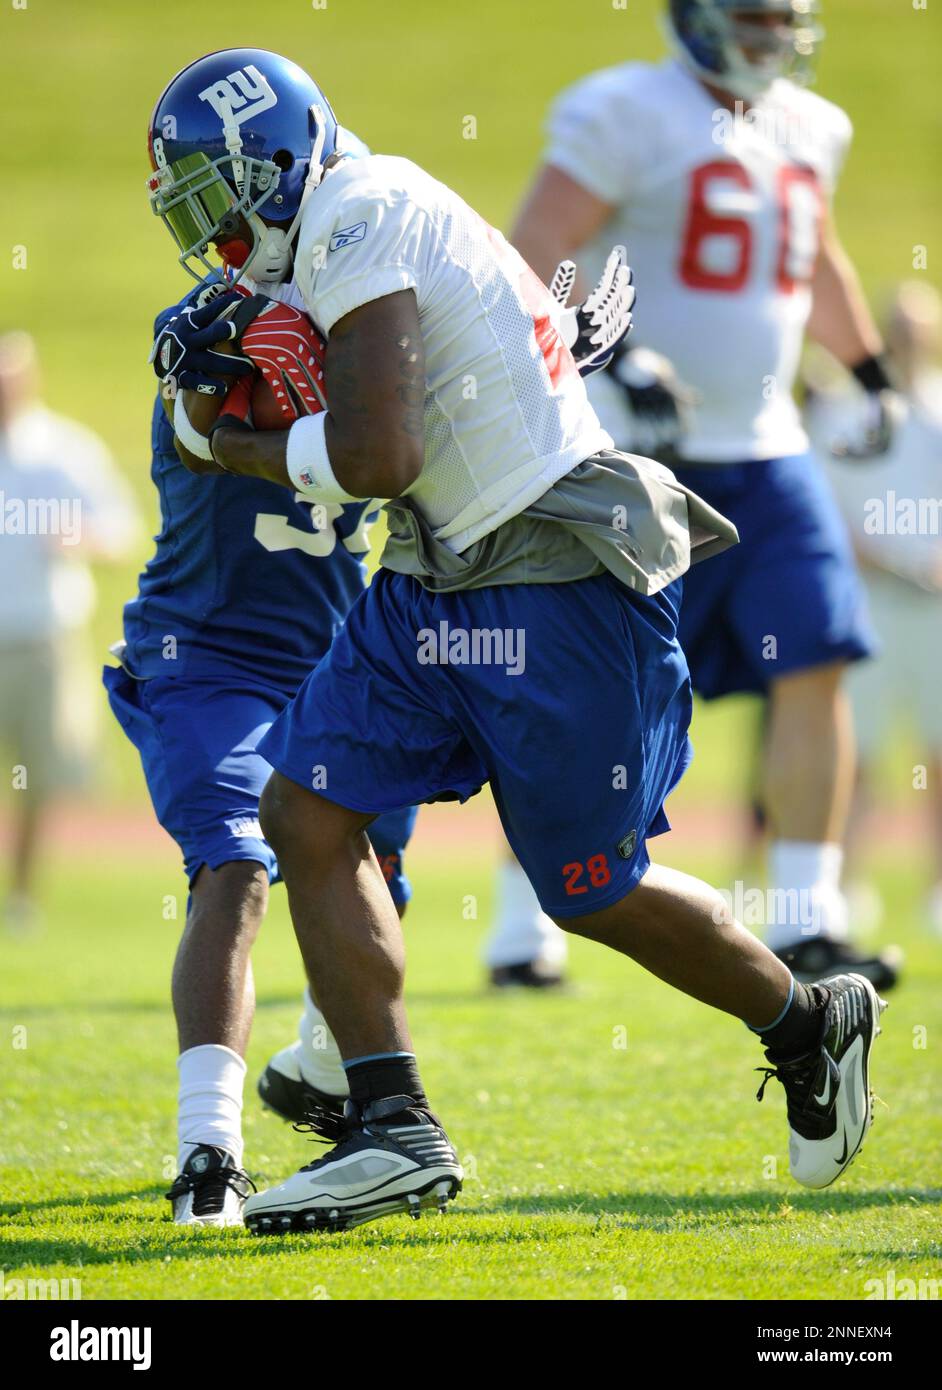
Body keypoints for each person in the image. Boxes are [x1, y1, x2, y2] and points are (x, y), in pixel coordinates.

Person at [147, 47, 887, 1235]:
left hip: (553, 572)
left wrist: (230, 442)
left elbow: (377, 457)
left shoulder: (362, 206)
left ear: (276, 164)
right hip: (438, 567)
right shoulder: (360, 221)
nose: (220, 244)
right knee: (304, 809)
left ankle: (810, 1019)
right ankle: (391, 1124)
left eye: (220, 207)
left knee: (592, 888)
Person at [509, 0, 904, 991]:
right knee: (583, 693)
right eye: (753, 14)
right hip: (629, 452)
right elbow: (534, 249)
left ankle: (809, 919)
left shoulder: (813, 126)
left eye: (785, 16)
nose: (773, 35)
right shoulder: (627, 110)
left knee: (817, 657)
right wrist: (611, 346)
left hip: (769, 452)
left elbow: (815, 260)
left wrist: (867, 371)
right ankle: (523, 924)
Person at [105, 262, 418, 1225]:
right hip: (203, 656)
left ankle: (324, 1072)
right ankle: (211, 1148)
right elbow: (200, 435)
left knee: (376, 863)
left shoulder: (367, 340)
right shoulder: (213, 339)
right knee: (236, 863)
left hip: (335, 661)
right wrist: (231, 382)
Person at [810, 282, 942, 936]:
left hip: (935, 609)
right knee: (855, 753)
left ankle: (937, 891)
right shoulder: (845, 411)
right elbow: (826, 508)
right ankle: (843, 887)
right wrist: (892, 563)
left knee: (937, 752)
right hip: (866, 602)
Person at [0, 331, 138, 933]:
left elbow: (121, 528)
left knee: (41, 774)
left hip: (41, 638)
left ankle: (23, 897)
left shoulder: (63, 451)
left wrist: (83, 538)